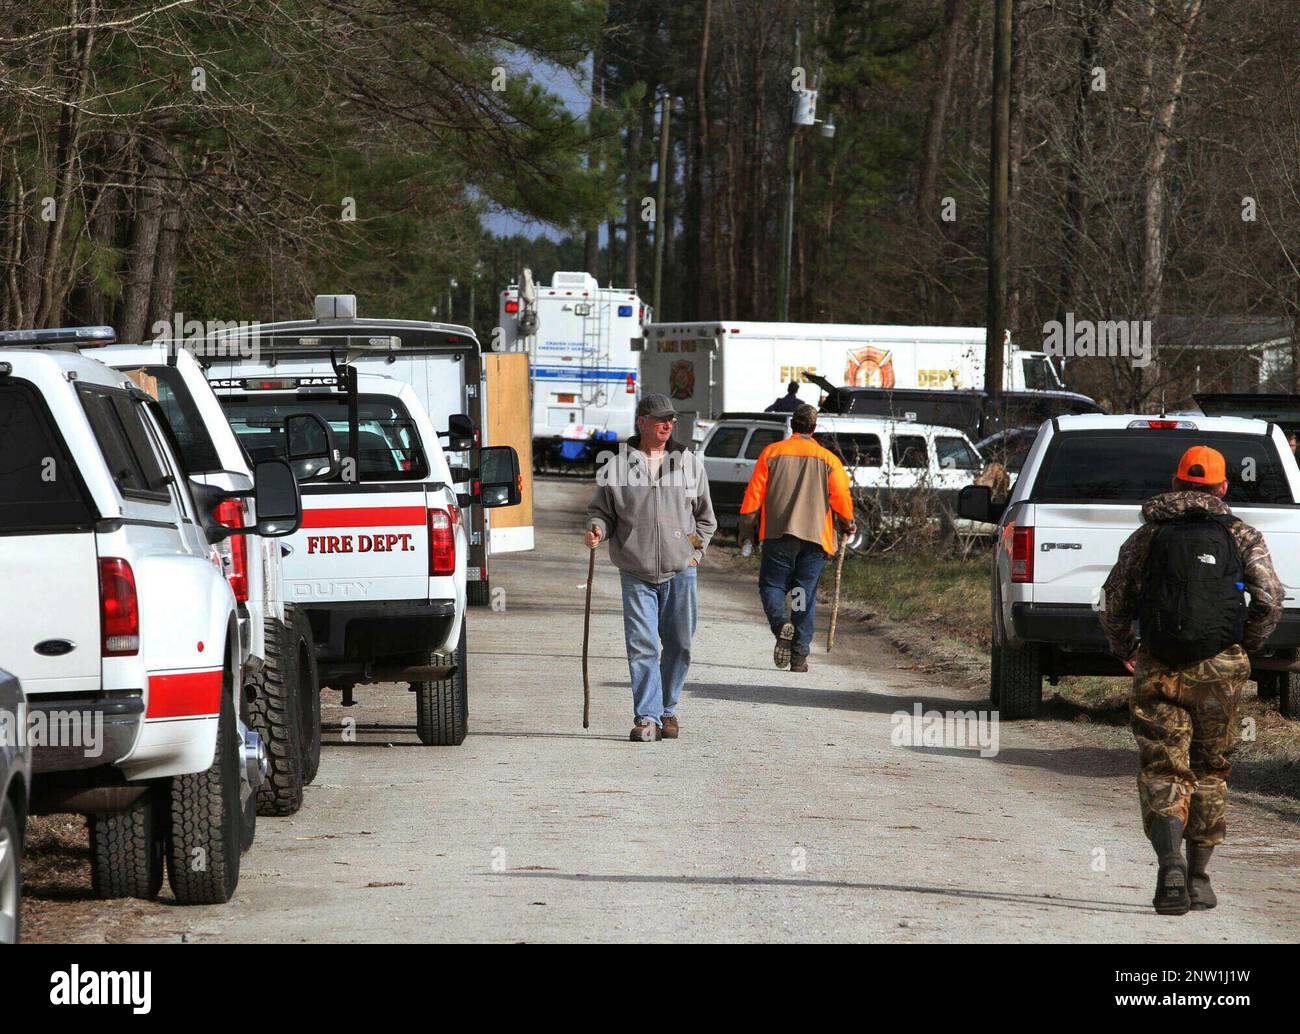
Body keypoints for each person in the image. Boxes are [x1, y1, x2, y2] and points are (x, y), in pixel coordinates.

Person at [1100, 445, 1282, 916]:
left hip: (1159, 665)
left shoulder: (1147, 536)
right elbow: (1271, 599)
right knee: (1209, 769)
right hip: (1221, 669)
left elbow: (1113, 602)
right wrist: (1245, 646)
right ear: (1222, 488)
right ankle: (1199, 878)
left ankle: (1170, 865)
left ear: (1178, 484)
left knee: (1164, 768)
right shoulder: (1242, 536)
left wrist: (1127, 650)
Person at [586, 394, 716, 742]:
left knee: (679, 644)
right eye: (660, 419)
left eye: (671, 419)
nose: (667, 424)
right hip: (636, 570)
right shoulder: (616, 465)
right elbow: (602, 512)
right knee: (643, 645)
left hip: (681, 571)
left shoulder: (688, 462)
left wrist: (693, 555)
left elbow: (705, 519)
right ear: (641, 422)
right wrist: (598, 528)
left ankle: (668, 710)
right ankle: (647, 717)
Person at [738, 404, 855, 672]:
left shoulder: (772, 453)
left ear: (793, 425)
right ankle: (799, 656)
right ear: (814, 428)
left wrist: (746, 530)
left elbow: (753, 498)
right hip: (815, 539)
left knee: (773, 586)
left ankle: (781, 623)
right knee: (803, 592)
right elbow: (840, 497)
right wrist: (848, 523)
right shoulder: (828, 459)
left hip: (778, 535)